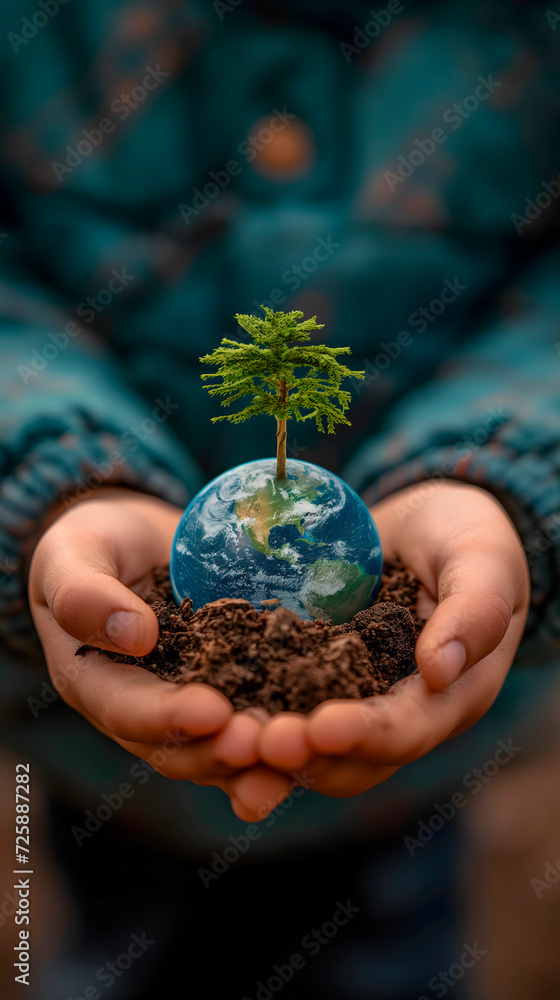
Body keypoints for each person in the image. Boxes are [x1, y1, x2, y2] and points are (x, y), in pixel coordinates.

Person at [1, 1, 559, 996]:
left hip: (416, 763)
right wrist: (54, 476)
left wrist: (492, 475)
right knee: (115, 943)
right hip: (89, 745)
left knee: (394, 948)